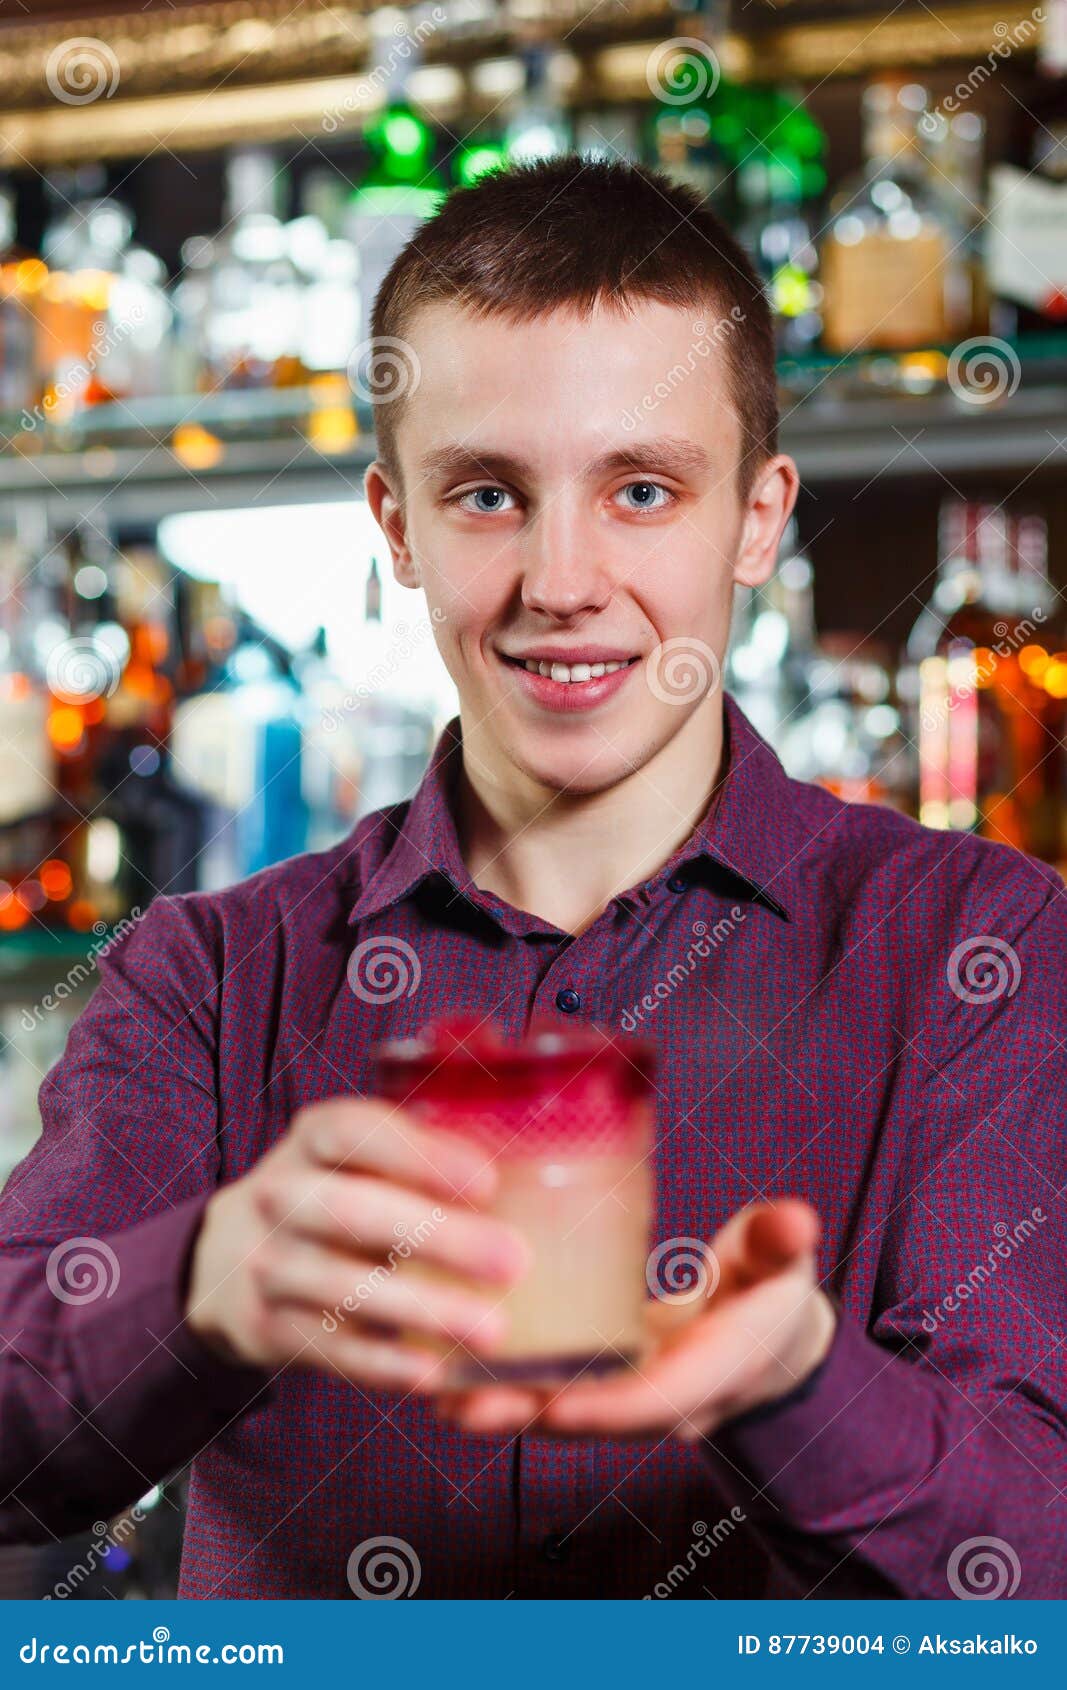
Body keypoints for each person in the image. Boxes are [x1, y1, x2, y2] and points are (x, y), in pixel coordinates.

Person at [0, 156, 1064, 1601]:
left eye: (642, 488)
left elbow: (1041, 1549)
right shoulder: (206, 976)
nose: (563, 578)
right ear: (395, 528)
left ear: (758, 517)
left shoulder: (979, 947)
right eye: (490, 493)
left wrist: (804, 1386)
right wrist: (199, 1285)